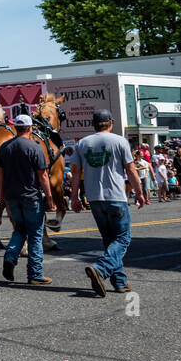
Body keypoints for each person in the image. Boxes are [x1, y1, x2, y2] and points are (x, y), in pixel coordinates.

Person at [70, 108, 146, 296]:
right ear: (111, 123)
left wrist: (75, 197)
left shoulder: (83, 143)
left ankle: (119, 282)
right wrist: (139, 192)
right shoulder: (120, 141)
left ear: (94, 124)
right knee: (122, 238)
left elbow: (76, 173)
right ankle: (101, 268)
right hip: (116, 196)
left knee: (110, 240)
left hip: (95, 198)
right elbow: (130, 169)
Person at [0, 113, 56, 285]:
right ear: (30, 128)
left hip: (11, 195)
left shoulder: (5, 147)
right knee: (35, 234)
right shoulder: (34, 147)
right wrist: (50, 197)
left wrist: (1, 196)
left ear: (15, 127)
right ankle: (35, 274)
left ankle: (10, 256)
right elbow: (43, 175)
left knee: (19, 230)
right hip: (31, 196)